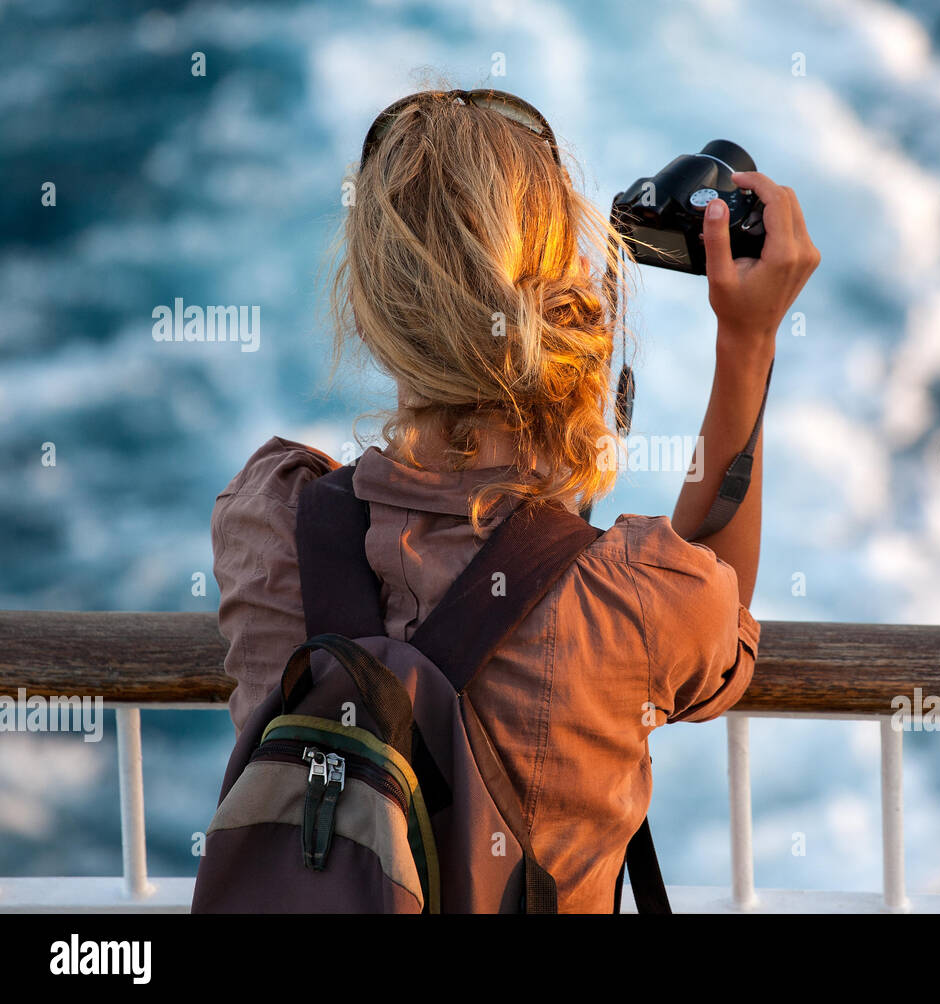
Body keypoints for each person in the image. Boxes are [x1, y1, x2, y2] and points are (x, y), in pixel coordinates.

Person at [211, 89, 819, 912]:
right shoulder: (638, 598)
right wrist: (747, 342)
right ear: (575, 308)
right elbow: (721, 612)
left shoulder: (272, 522)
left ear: (370, 312)